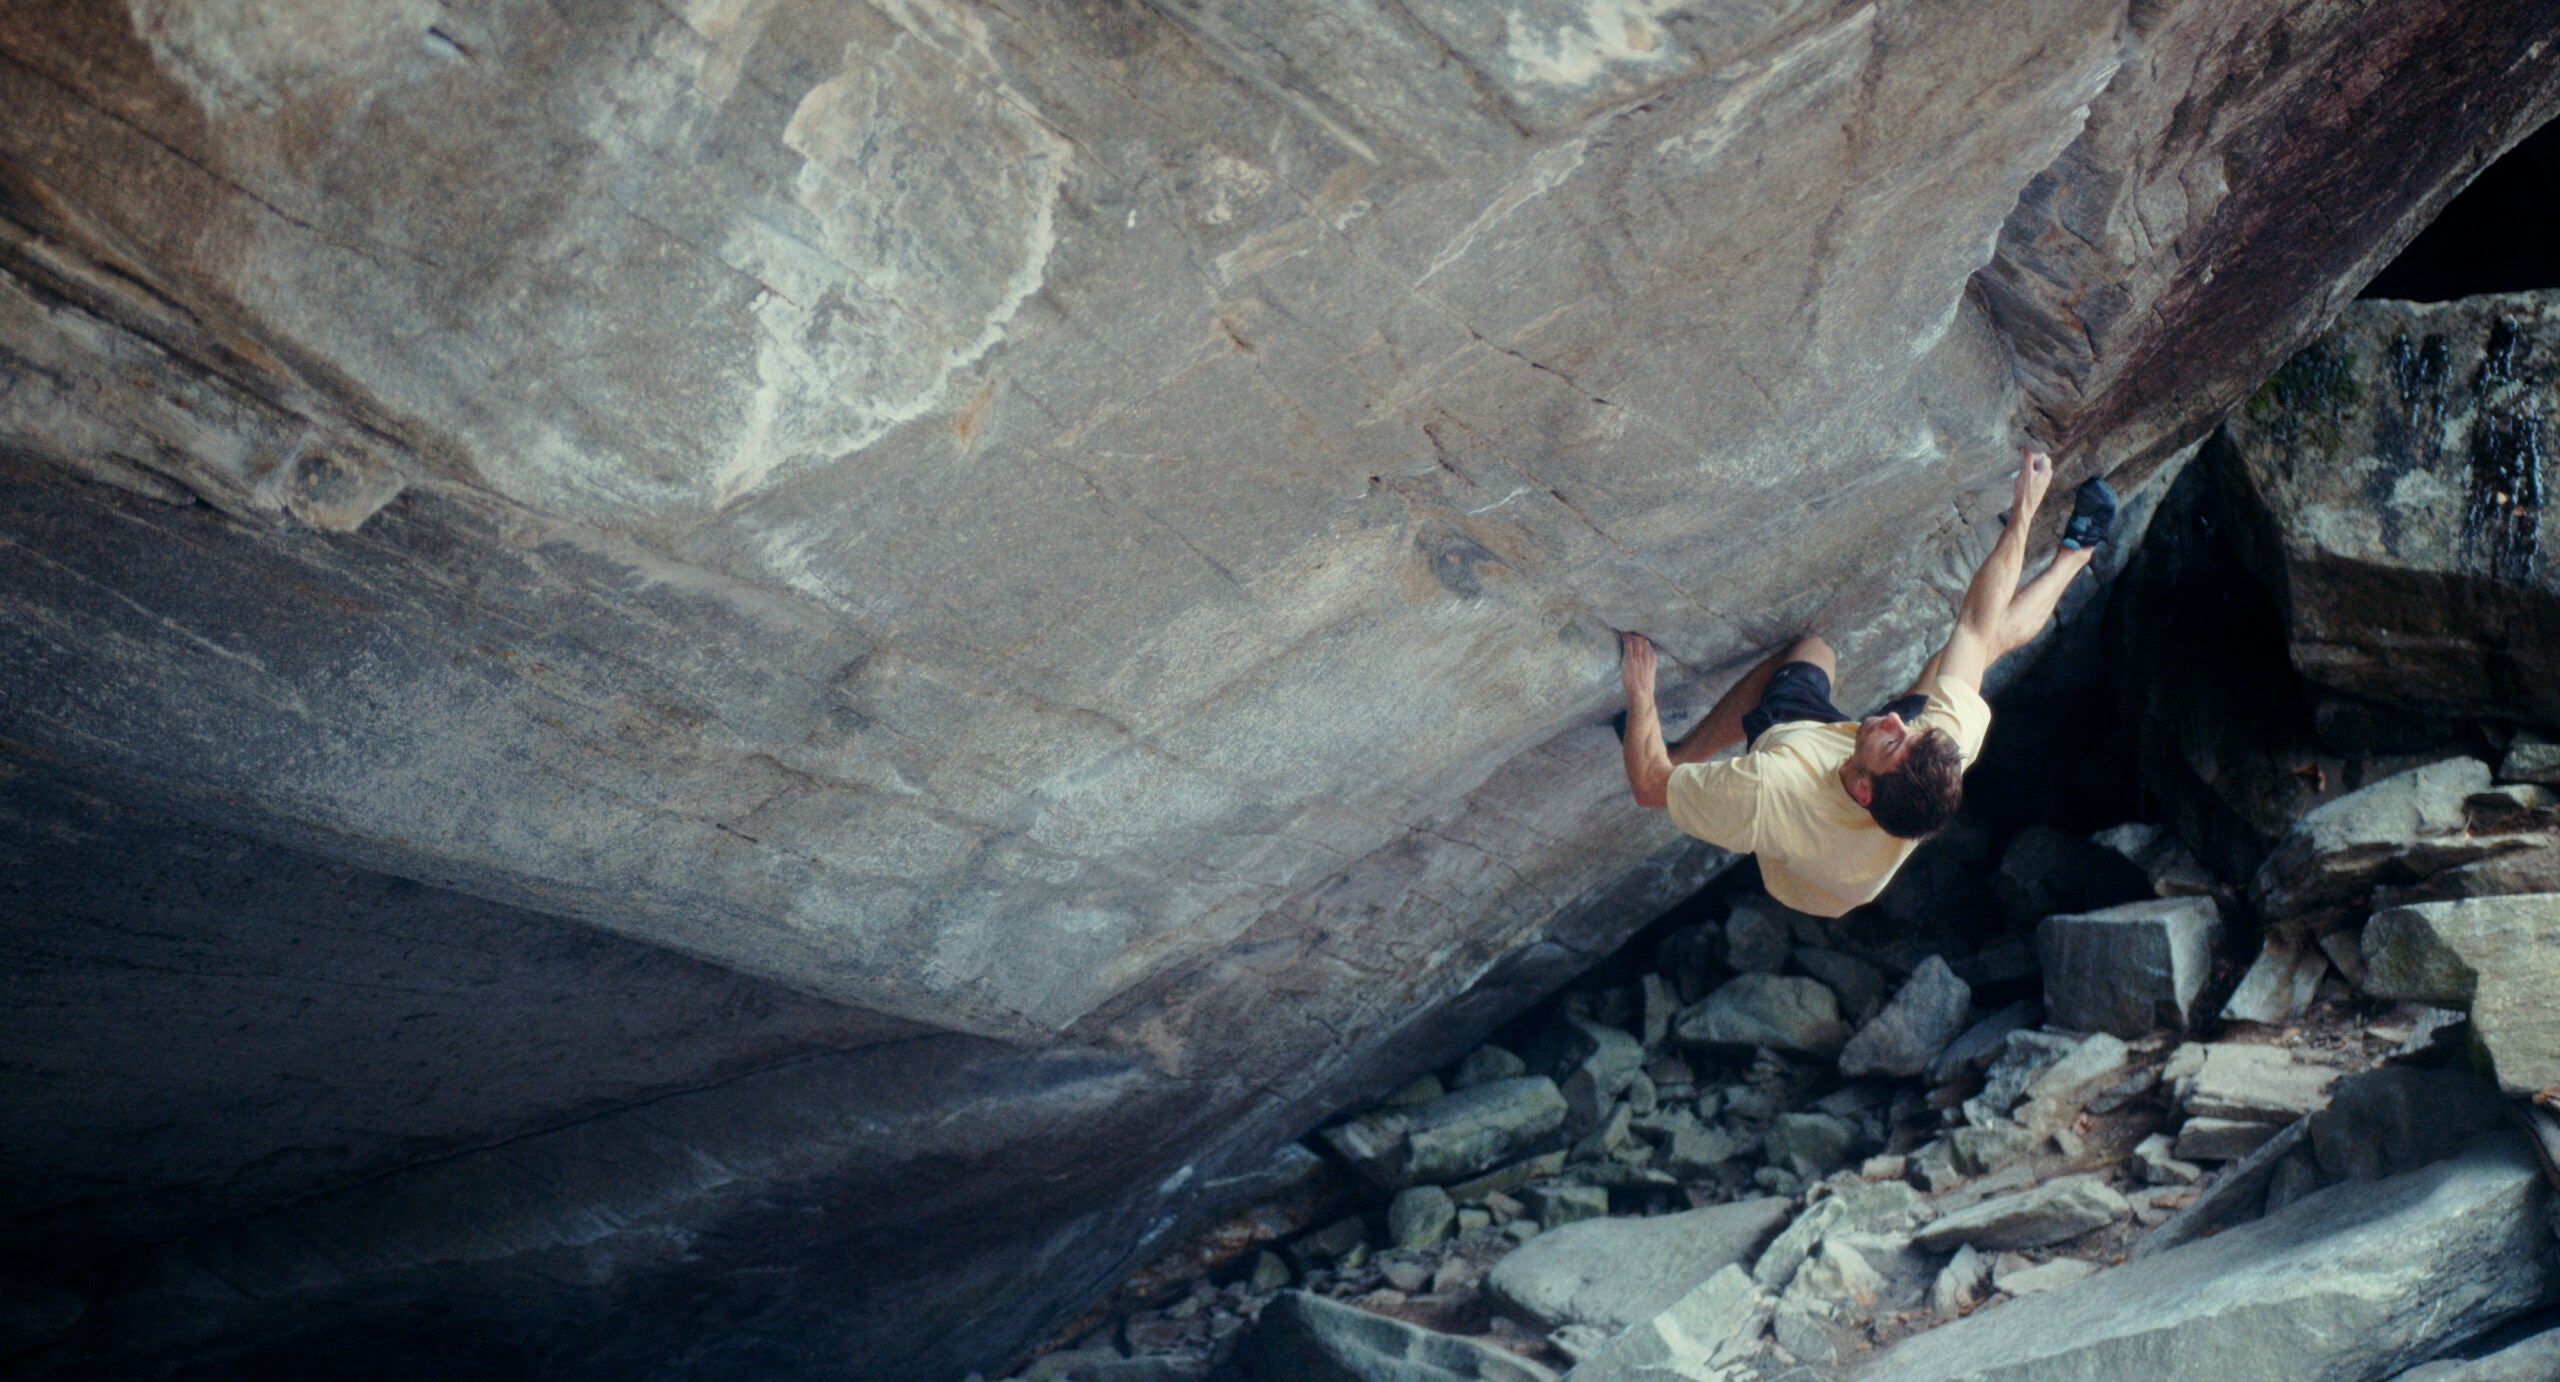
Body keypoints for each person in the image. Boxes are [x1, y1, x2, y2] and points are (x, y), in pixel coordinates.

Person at [1617, 449, 2115, 917]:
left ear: (1860, 787)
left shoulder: (1772, 791)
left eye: (1895, 737)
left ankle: (1684, 753)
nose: (1898, 718)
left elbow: (1647, 789)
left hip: (1806, 870)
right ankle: (2079, 553)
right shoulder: (1938, 752)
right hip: (1859, 816)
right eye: (1914, 729)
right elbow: (1975, 627)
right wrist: (2024, 510)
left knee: (1811, 652)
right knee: (1972, 653)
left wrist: (1642, 696)